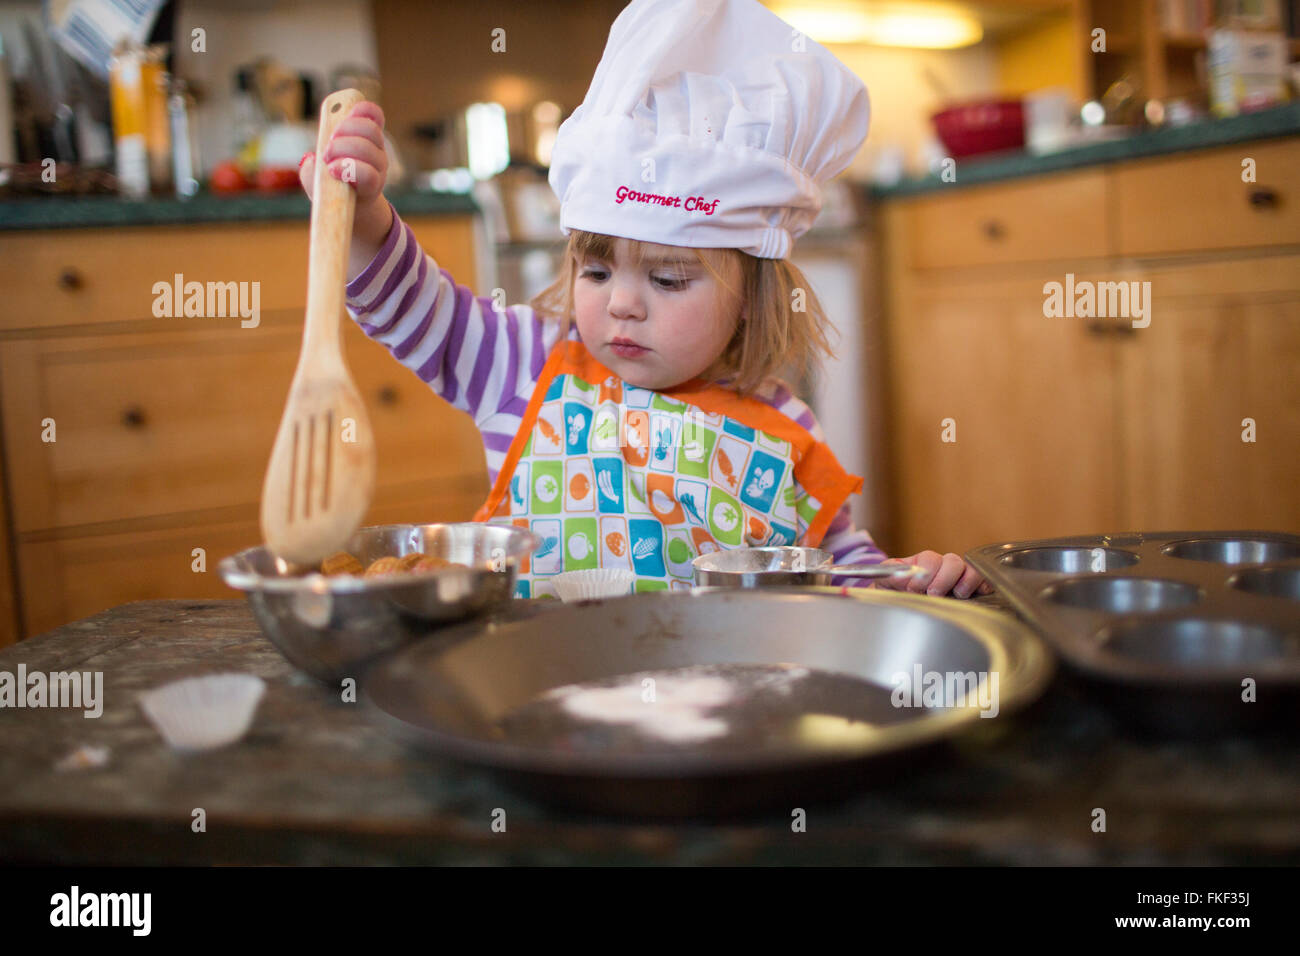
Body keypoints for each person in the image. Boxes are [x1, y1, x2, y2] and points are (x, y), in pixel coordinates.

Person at [299, 0, 991, 600]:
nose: (622, 304)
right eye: (597, 273)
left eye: (666, 280)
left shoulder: (787, 437)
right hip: (536, 700)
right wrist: (363, 219)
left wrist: (916, 578)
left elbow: (842, 580)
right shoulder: (525, 363)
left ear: (750, 295)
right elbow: (417, 311)